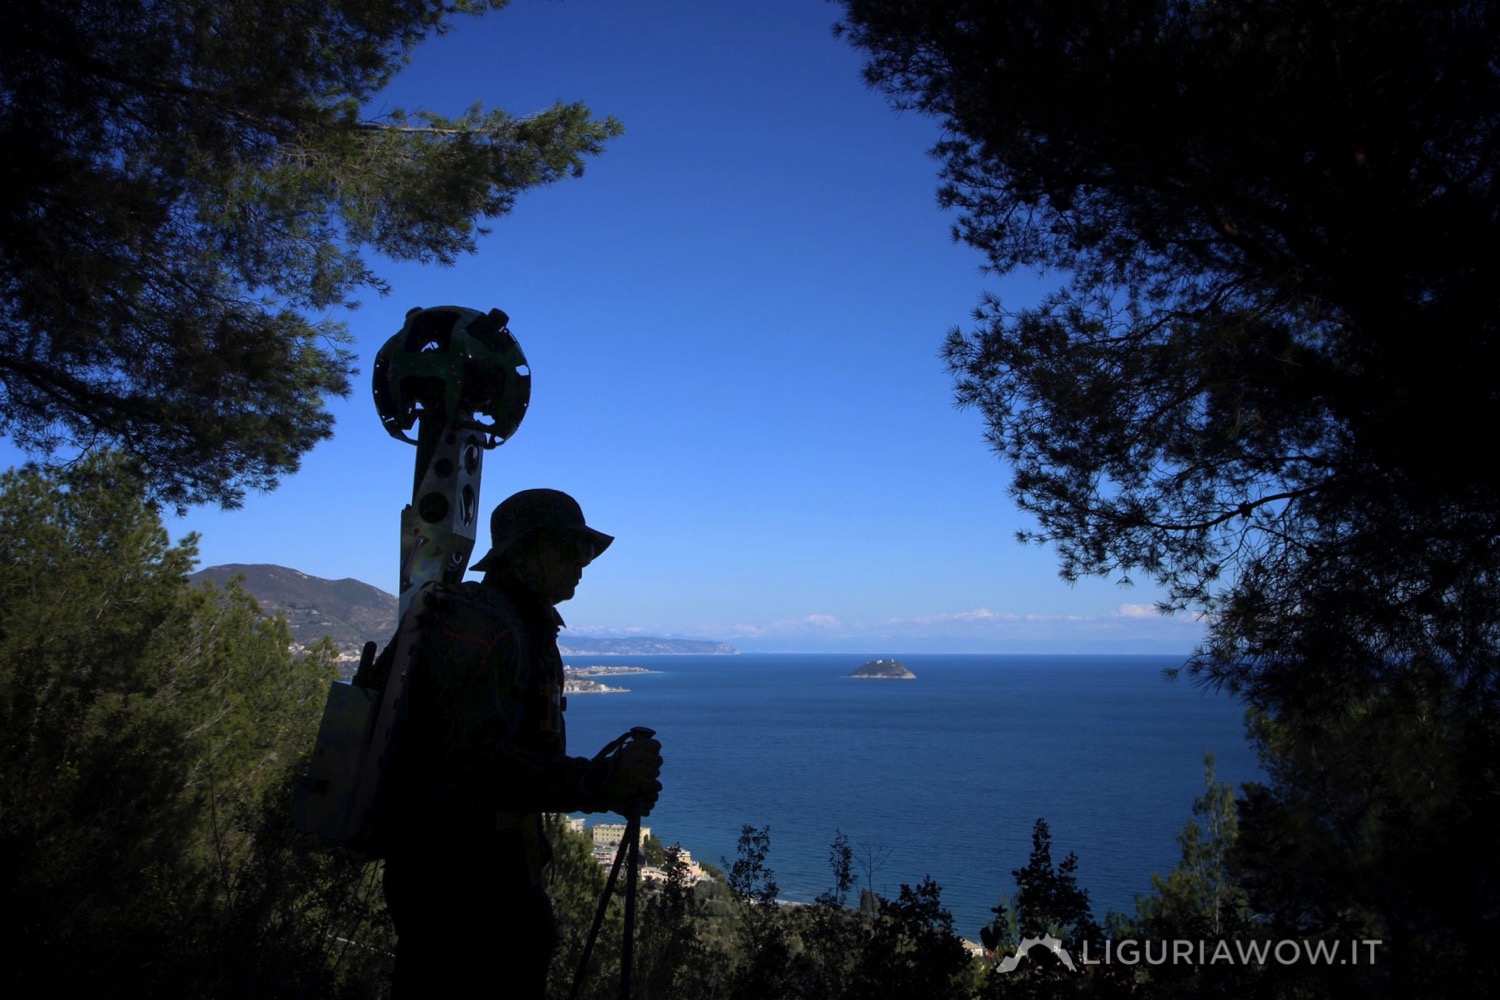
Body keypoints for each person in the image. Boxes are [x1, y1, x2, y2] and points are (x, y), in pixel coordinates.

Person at [378, 489, 663, 998]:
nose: (583, 564)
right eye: (570, 550)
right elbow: (473, 765)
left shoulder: (515, 624)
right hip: (461, 892)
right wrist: (597, 782)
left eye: (586, 553)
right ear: (525, 551)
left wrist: (599, 784)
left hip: (479, 880)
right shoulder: (482, 628)